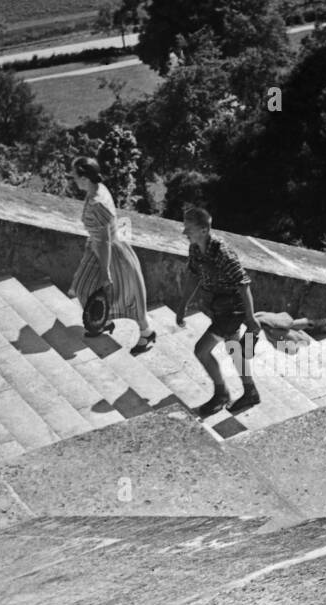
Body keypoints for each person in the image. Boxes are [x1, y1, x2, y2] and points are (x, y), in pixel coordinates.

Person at [174, 205, 268, 416]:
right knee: (234, 350)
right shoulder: (196, 248)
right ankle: (250, 392)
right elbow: (194, 275)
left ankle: (221, 394)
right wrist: (182, 306)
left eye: (189, 228)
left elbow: (243, 284)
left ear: (204, 230)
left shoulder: (223, 253)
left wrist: (251, 319)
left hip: (231, 310)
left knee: (201, 350)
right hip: (218, 307)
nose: (184, 232)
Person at [68, 157, 155, 354]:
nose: (72, 179)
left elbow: (106, 240)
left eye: (74, 175)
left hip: (111, 253)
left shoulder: (98, 203)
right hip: (97, 248)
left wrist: (105, 270)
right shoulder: (94, 191)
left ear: (84, 178)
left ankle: (146, 332)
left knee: (128, 294)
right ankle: (103, 321)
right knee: (84, 287)